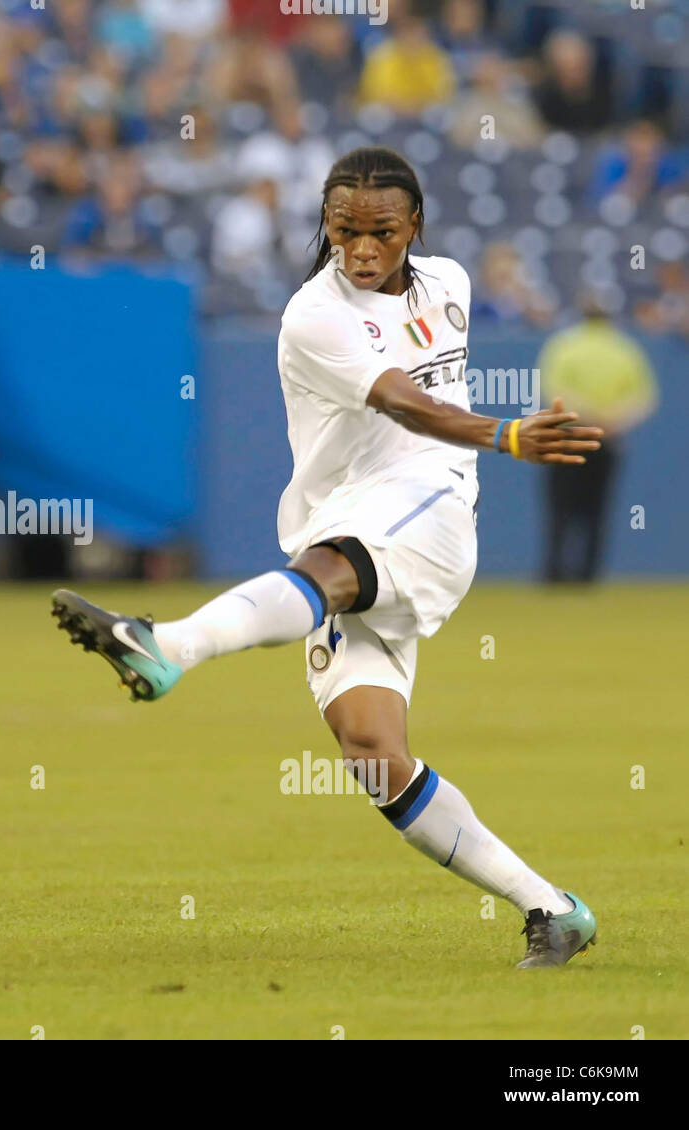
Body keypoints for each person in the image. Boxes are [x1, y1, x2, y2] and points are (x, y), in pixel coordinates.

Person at [50, 147, 605, 970]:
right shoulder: (315, 315)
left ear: (414, 225)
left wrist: (497, 438)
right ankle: (553, 911)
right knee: (374, 756)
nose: (363, 249)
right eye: (345, 231)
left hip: (432, 512)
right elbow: (402, 400)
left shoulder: (449, 282)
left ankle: (165, 648)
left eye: (382, 231)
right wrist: (506, 431)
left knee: (332, 572)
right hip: (347, 518)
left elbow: (422, 419)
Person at [538, 297, 658, 584]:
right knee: (597, 510)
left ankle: (554, 574)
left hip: (568, 436)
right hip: (608, 440)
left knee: (560, 508)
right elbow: (644, 397)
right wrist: (612, 419)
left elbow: (554, 390)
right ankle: (588, 575)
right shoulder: (625, 349)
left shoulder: (565, 346)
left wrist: (585, 415)